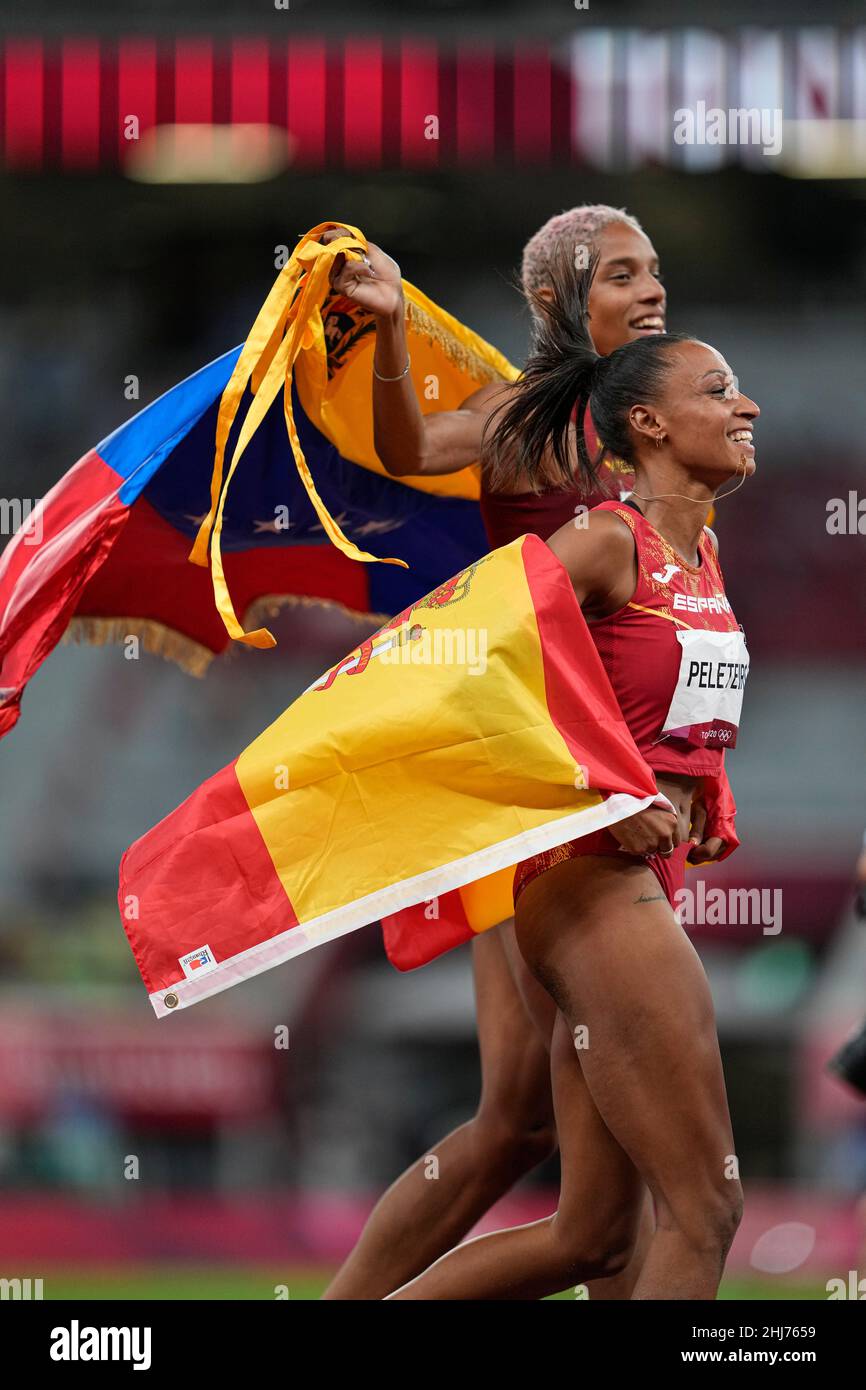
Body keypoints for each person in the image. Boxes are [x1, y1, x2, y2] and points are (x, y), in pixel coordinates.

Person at [322, 208, 728, 1301]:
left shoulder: (654, 431)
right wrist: (396, 325)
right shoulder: (529, 420)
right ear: (559, 297)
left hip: (610, 798)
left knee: (544, 1131)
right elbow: (407, 451)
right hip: (542, 793)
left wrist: (697, 779)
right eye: (620, 275)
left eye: (654, 269)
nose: (649, 289)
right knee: (547, 1132)